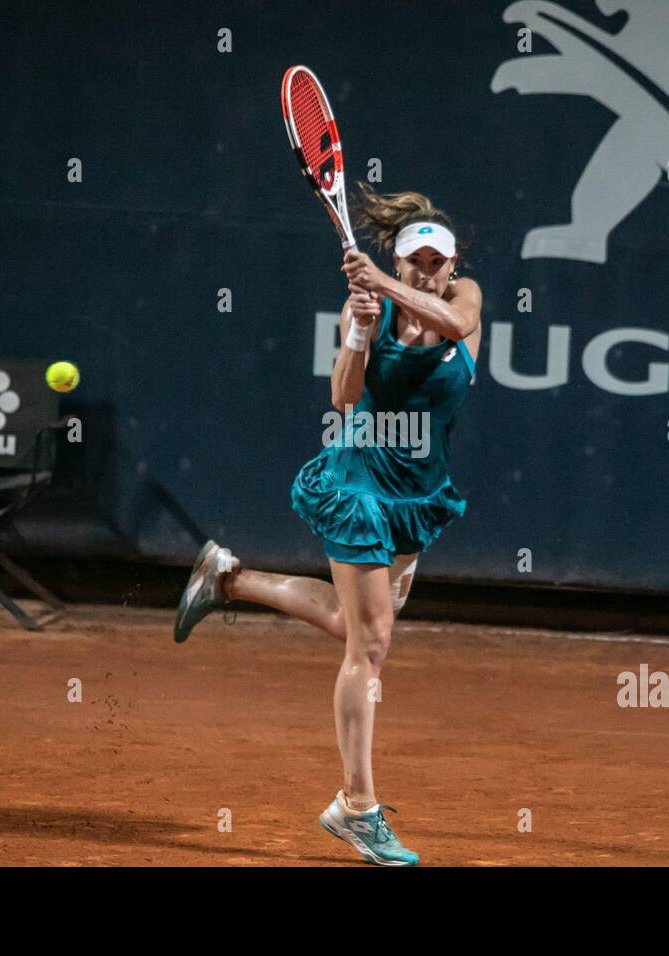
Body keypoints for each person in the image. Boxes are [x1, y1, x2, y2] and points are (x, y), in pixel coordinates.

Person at [173, 186, 482, 866]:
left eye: (437, 261)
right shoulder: (363, 305)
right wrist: (360, 330)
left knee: (353, 625)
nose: (426, 270)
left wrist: (383, 291)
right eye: (413, 262)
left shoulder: (466, 302)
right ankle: (357, 807)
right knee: (369, 647)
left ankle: (229, 579)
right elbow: (343, 395)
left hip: (418, 492)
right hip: (360, 483)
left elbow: (453, 328)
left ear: (453, 265)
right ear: (398, 263)